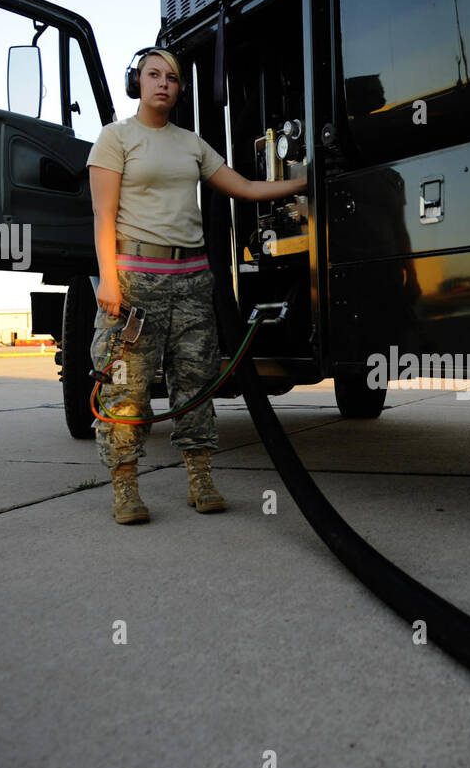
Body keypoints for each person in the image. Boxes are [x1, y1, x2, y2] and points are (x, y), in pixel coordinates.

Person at [86, 48, 306, 524]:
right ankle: (125, 487)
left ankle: (201, 479)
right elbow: (103, 214)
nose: (163, 83)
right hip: (135, 282)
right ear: (136, 83)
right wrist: (108, 279)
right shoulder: (115, 138)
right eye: (152, 75)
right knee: (127, 389)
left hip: (191, 280)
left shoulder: (192, 144)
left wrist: (303, 183)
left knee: (196, 386)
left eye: (172, 77)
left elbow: (244, 188)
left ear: (181, 89)